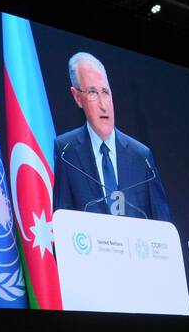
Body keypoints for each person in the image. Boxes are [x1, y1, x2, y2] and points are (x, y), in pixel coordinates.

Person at [52, 52, 171, 221]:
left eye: (105, 92)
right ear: (77, 97)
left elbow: (162, 223)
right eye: (93, 92)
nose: (103, 105)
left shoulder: (141, 156)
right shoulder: (66, 152)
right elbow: (62, 222)